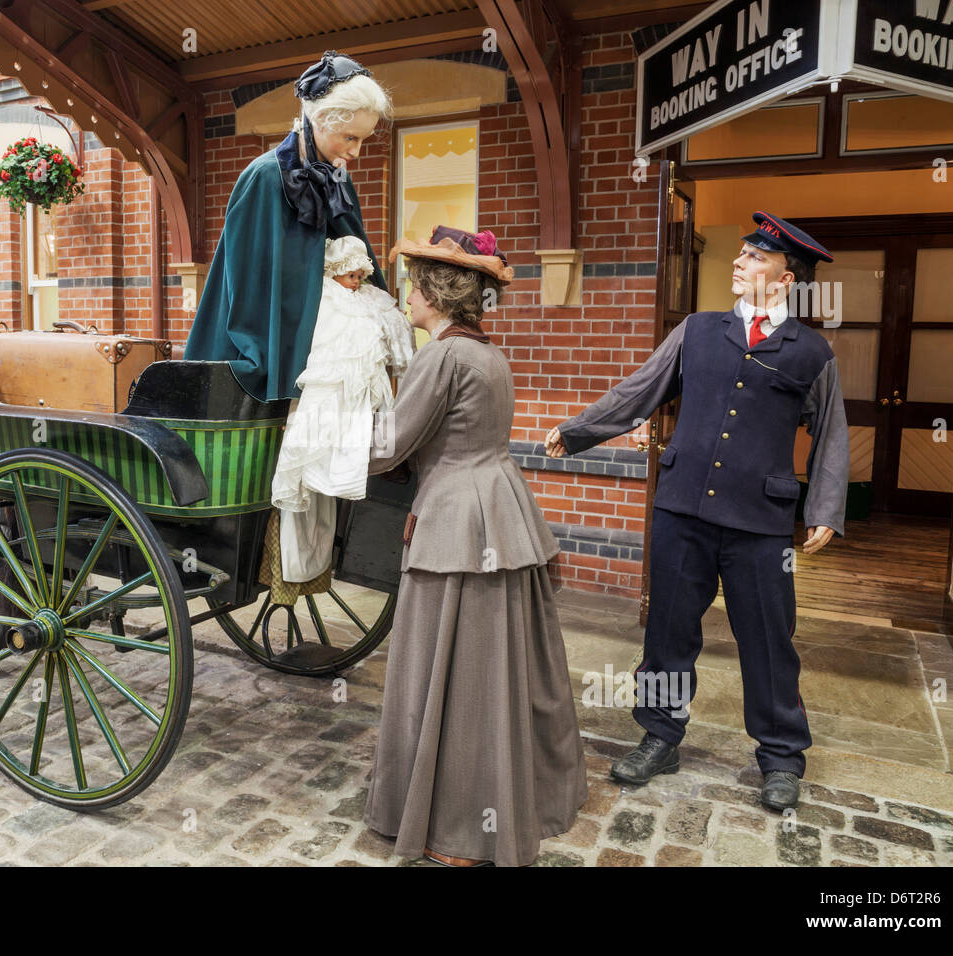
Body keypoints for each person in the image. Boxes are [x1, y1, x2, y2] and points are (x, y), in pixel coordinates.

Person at [545, 211, 849, 812]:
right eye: (740, 254)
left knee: (768, 639)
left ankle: (781, 757)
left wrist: (827, 507)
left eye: (755, 258)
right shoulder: (697, 330)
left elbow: (832, 434)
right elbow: (641, 388)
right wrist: (579, 429)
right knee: (668, 632)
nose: (739, 263)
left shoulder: (812, 352)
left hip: (760, 522)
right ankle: (660, 734)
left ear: (787, 281)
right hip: (681, 510)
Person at [364, 225, 588, 867]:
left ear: (437, 292)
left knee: (459, 678)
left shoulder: (441, 356)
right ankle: (507, 804)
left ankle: (461, 830)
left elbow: (390, 447)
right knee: (493, 672)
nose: (407, 294)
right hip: (496, 512)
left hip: (460, 526)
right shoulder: (485, 353)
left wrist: (317, 432)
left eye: (414, 284)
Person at [185, 50, 392, 605]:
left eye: (362, 141)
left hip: (316, 331)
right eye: (350, 138)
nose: (355, 151)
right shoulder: (262, 177)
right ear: (321, 120)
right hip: (268, 340)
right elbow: (247, 284)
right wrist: (277, 359)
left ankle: (308, 549)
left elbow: (355, 247)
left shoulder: (333, 175)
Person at [271, 235, 414, 582]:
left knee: (350, 434)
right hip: (328, 390)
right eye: (350, 275)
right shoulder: (326, 300)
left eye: (359, 276)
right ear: (334, 272)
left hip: (358, 392)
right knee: (319, 442)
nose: (356, 282)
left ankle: (354, 478)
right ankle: (300, 560)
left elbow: (395, 337)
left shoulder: (366, 300)